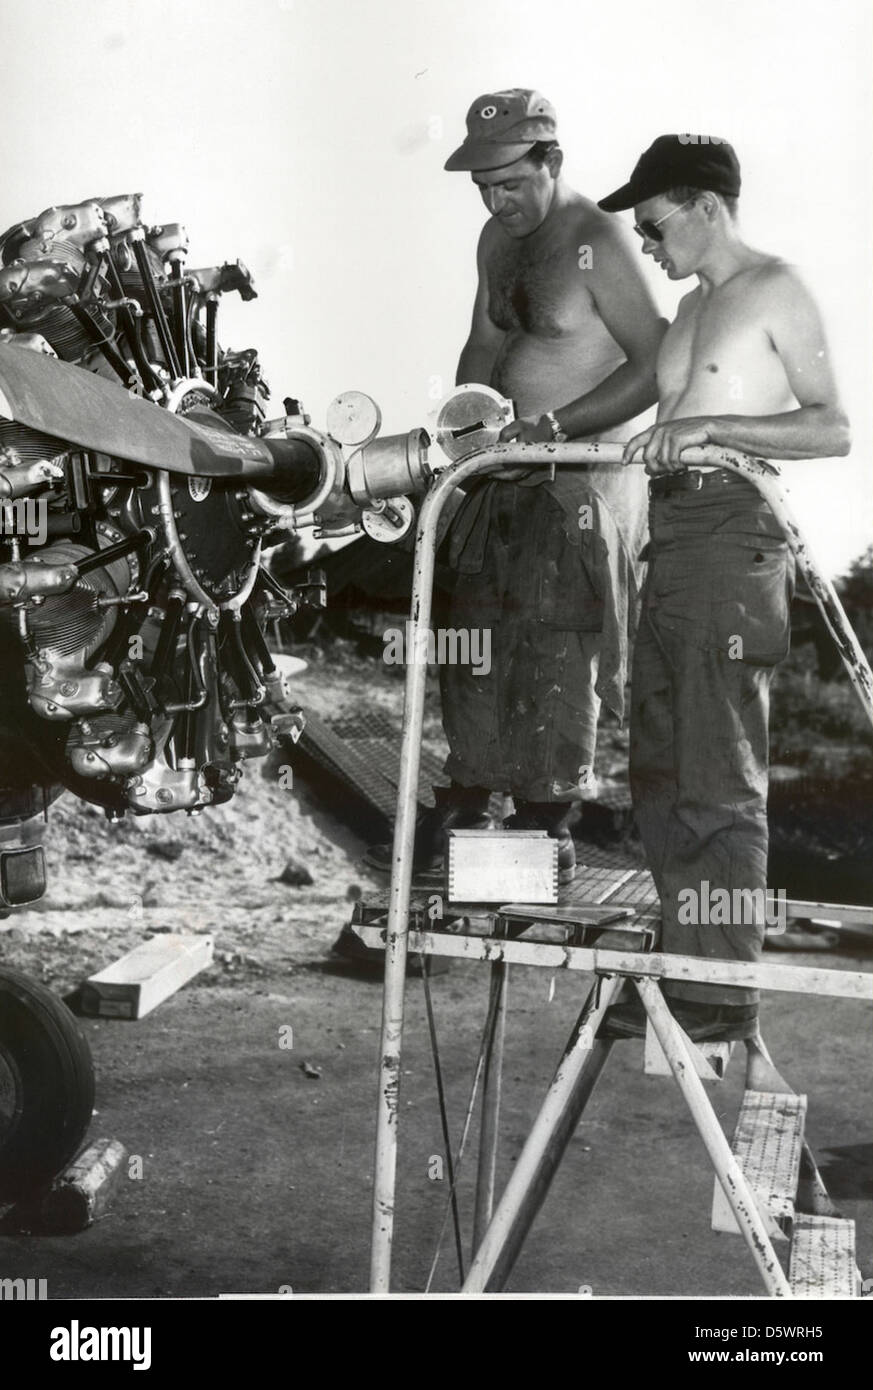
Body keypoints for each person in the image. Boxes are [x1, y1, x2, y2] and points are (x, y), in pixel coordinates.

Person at [368, 89, 665, 879]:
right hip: (494, 469)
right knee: (468, 635)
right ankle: (467, 800)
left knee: (555, 645)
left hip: (577, 481)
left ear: (552, 162)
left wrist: (559, 429)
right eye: (483, 188)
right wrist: (453, 438)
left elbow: (656, 363)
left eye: (511, 183)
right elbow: (480, 343)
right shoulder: (494, 244)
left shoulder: (597, 242)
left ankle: (546, 822)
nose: (497, 201)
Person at [593, 134, 850, 1040]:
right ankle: (682, 967)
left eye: (654, 224)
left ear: (706, 206)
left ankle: (720, 988)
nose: (645, 244)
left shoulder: (775, 288)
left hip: (732, 531)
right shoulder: (687, 317)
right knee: (659, 764)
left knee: (716, 764)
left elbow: (830, 429)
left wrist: (710, 429)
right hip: (667, 536)